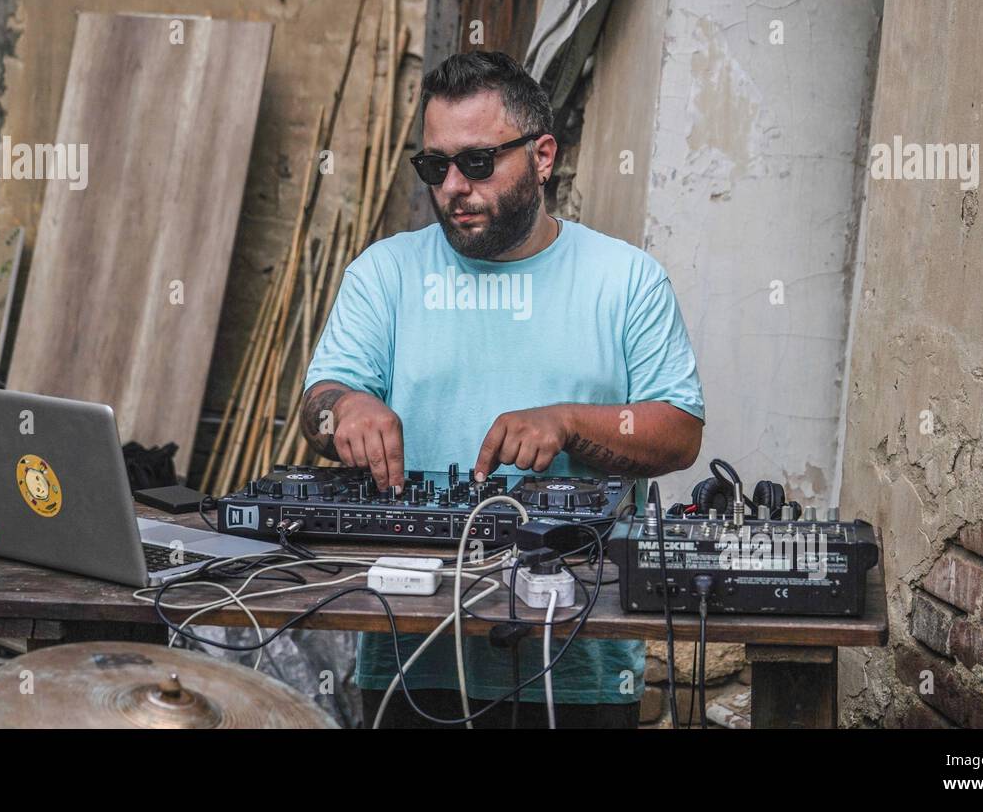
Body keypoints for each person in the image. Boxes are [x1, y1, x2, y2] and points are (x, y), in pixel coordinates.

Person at [299, 51, 705, 728]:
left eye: (478, 162)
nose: (454, 185)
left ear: (542, 156)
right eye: (436, 166)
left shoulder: (626, 281)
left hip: (578, 668)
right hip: (410, 662)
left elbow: (680, 432)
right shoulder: (384, 274)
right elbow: (315, 410)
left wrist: (571, 423)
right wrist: (343, 406)